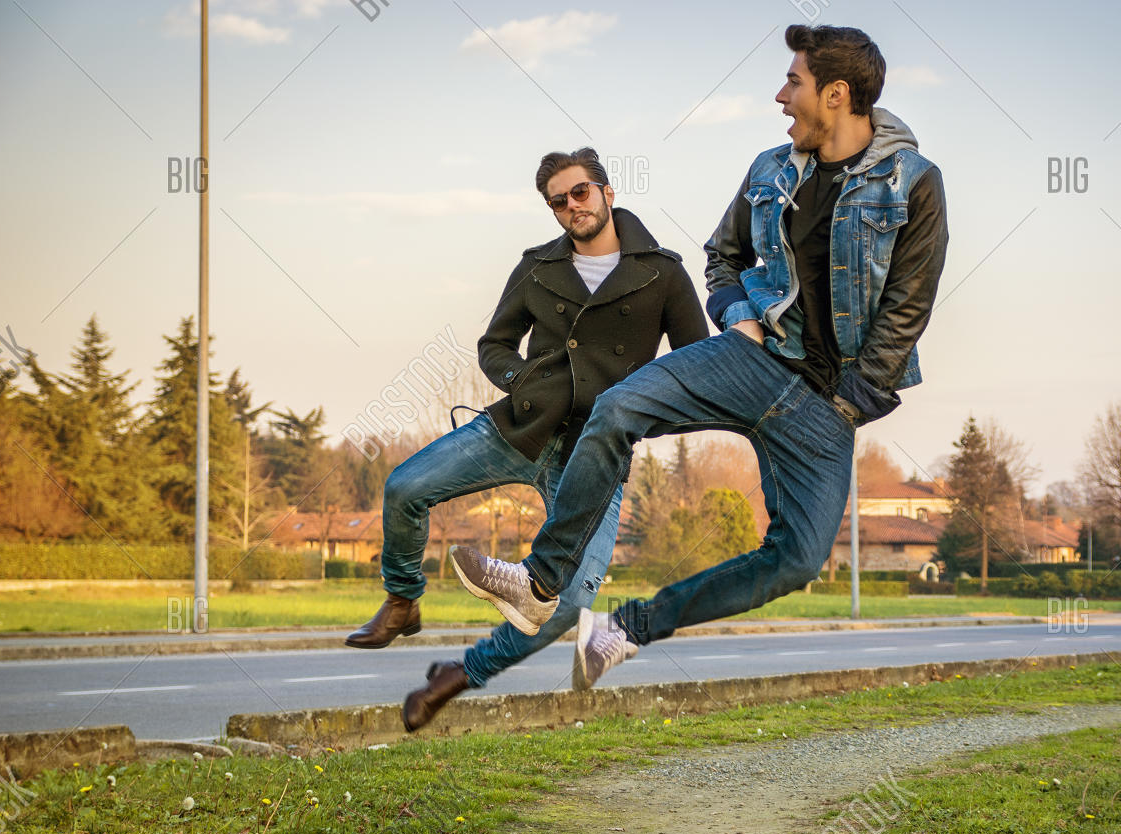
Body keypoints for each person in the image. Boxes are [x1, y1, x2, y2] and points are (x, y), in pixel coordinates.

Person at [450, 24, 948, 689]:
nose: (780, 96)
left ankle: (628, 629)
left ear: (835, 94)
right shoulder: (771, 168)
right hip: (757, 361)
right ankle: (540, 582)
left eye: (793, 82)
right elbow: (723, 256)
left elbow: (907, 309)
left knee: (797, 561)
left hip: (828, 407)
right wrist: (737, 314)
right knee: (616, 407)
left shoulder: (913, 183)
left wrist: (848, 403)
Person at [344, 147, 707, 730]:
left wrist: (637, 416)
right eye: (557, 201)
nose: (571, 206)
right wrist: (523, 382)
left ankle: (460, 675)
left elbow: (695, 368)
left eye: (580, 192)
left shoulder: (662, 272)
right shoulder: (537, 266)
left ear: (607, 192)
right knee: (404, 487)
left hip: (596, 453)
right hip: (520, 426)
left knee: (567, 602)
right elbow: (495, 345)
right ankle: (403, 599)